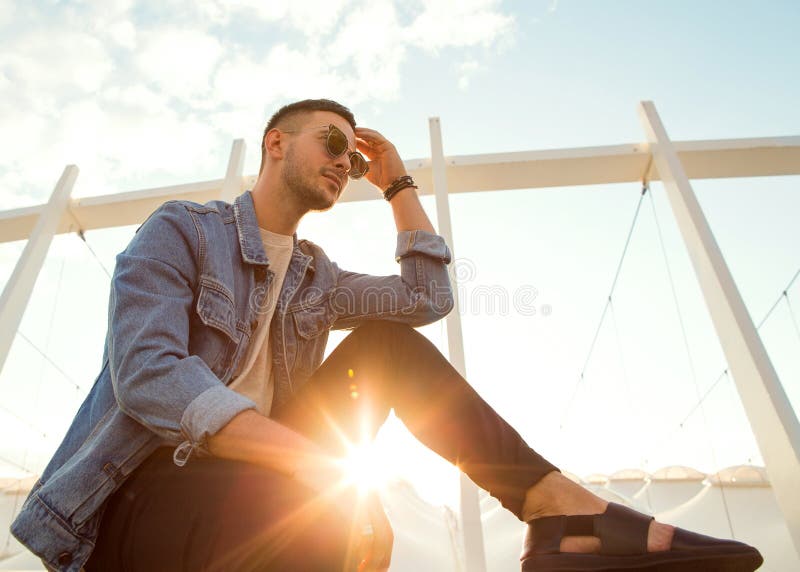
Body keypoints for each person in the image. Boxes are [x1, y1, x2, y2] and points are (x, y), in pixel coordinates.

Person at [10, 99, 762, 572]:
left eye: (354, 156)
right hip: (143, 501)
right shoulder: (181, 230)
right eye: (332, 142)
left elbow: (425, 297)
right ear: (275, 143)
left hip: (253, 493)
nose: (344, 161)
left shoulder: (312, 274)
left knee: (386, 350)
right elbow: (148, 378)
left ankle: (555, 510)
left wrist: (397, 184)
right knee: (325, 515)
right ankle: (568, 522)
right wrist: (321, 470)